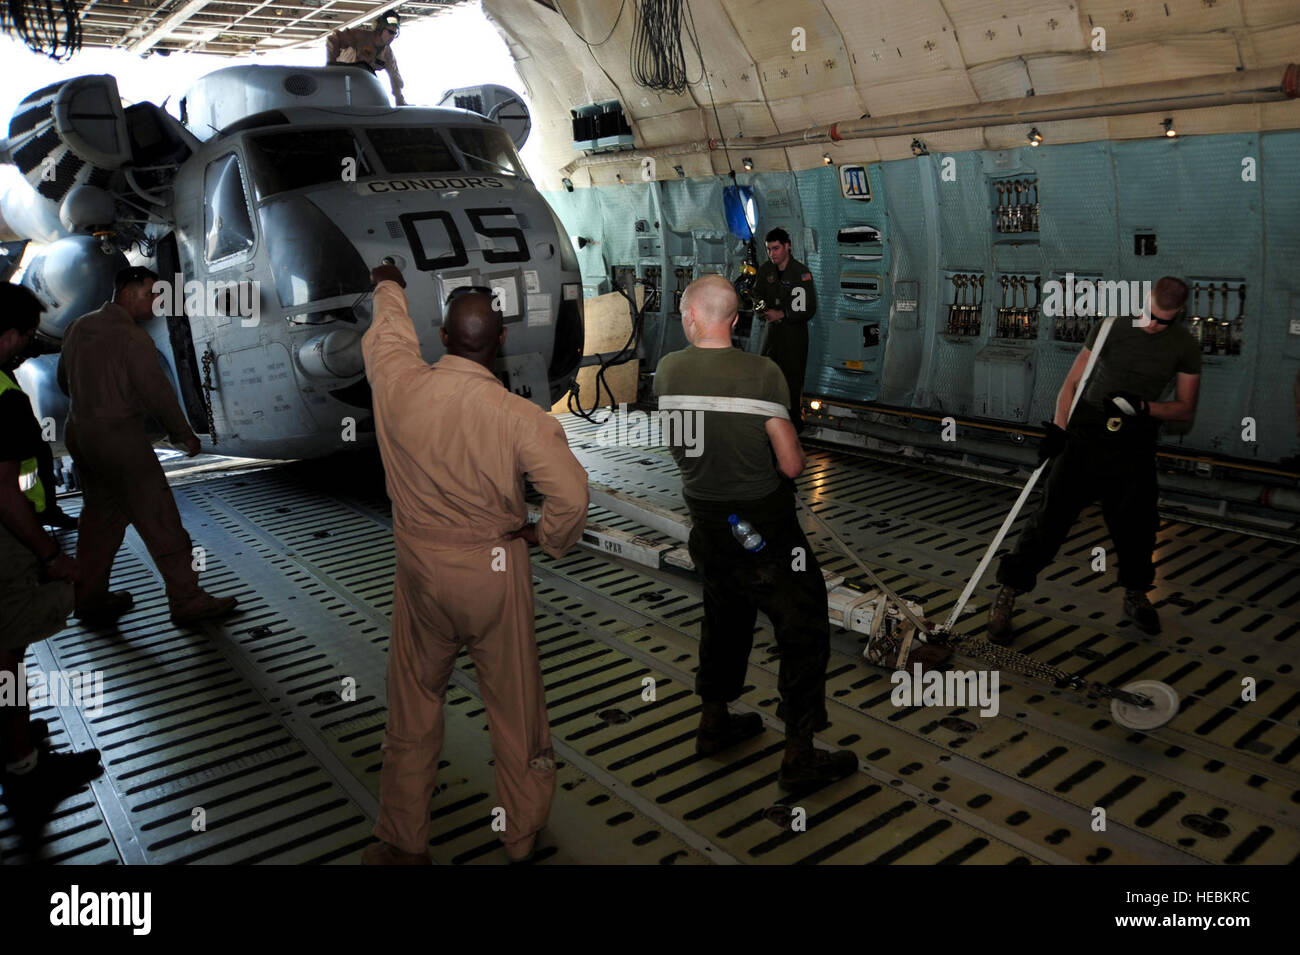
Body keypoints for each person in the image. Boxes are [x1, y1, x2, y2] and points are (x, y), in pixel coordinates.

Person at [361, 265, 588, 865]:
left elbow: (387, 334)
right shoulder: (519, 417)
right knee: (515, 709)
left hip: (418, 572)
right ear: (502, 341)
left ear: (440, 335)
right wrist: (547, 538)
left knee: (413, 702)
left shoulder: (398, 385)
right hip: (493, 570)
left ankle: (401, 841)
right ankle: (519, 836)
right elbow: (571, 495)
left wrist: (388, 284)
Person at [654, 274, 857, 792]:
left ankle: (714, 721)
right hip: (763, 530)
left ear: (693, 317)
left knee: (724, 616)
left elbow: (684, 451)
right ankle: (799, 752)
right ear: (736, 319)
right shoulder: (764, 373)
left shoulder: (668, 370)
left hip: (708, 524)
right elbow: (790, 466)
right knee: (802, 624)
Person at [988, 277, 1201, 643]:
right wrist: (1058, 429)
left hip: (1134, 438)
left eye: (1162, 321)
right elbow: (1072, 383)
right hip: (1087, 431)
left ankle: (1136, 593)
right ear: (1146, 299)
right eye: (1150, 314)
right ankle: (1008, 591)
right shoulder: (1111, 327)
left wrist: (1145, 407)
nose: (1152, 324)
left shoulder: (1185, 346)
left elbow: (1184, 409)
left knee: (1137, 524)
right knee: (1049, 518)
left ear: (1179, 314)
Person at [57, 266, 238, 628]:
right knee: (160, 519)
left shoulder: (78, 327)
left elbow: (63, 381)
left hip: (81, 433)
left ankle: (88, 598)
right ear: (126, 290)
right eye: (153, 294)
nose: (158, 303)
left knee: (100, 521)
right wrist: (183, 432)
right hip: (119, 440)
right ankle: (188, 600)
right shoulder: (134, 339)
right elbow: (156, 392)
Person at [0, 284, 103, 801]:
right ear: (11, 333)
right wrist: (49, 554)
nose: (23, 348)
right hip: (7, 543)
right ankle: (24, 768)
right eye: (21, 336)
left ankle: (13, 739)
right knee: (7, 652)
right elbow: (4, 491)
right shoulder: (2, 395)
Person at [757, 228, 817, 432]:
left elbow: (807, 308)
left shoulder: (800, 273)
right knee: (766, 379)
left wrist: (781, 314)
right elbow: (757, 299)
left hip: (793, 336)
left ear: (787, 246)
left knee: (792, 383)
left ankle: (794, 427)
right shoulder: (765, 271)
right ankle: (769, 424)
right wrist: (763, 311)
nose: (772, 253)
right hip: (771, 335)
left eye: (775, 248)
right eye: (768, 249)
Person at [326, 12, 406, 106]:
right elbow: (333, 39)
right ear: (380, 28)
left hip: (361, 88)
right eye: (390, 32)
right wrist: (331, 68)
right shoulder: (359, 37)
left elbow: (395, 77)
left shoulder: (387, 54)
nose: (392, 37)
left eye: (395, 34)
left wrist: (400, 101)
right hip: (342, 80)